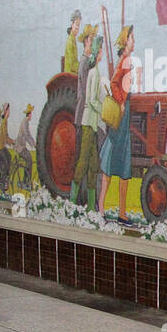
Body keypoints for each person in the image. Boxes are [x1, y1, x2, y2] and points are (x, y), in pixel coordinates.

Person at [98, 21, 137, 223]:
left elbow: (124, 84)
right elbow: (114, 83)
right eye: (131, 37)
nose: (134, 40)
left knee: (123, 169)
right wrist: (121, 102)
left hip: (126, 115)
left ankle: (121, 213)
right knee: (111, 164)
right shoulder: (125, 60)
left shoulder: (128, 60)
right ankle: (102, 209)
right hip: (121, 117)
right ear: (125, 40)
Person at [71, 27, 103, 209]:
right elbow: (89, 99)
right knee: (83, 161)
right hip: (86, 119)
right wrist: (103, 109)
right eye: (90, 41)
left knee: (93, 164)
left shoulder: (93, 70)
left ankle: (91, 206)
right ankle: (71, 202)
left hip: (91, 122)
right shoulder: (90, 69)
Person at [15, 103, 36, 187]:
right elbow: (27, 135)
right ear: (29, 114)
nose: (32, 116)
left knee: (29, 159)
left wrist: (33, 143)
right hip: (20, 147)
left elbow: (28, 135)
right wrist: (34, 144)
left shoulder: (25, 121)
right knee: (29, 159)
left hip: (22, 146)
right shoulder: (25, 122)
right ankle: (25, 182)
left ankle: (25, 181)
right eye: (31, 114)